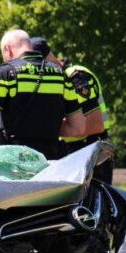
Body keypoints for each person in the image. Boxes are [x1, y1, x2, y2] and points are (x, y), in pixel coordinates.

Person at [0, 29, 88, 159]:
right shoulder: (60, 75)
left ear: (7, 49)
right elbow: (79, 128)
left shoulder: (5, 73)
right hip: (50, 161)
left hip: (15, 161)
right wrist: (45, 128)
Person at [32, 37, 112, 181]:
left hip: (93, 153)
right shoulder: (55, 80)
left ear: (46, 59)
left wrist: (48, 128)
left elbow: (96, 125)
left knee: (96, 203)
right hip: (73, 153)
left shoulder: (75, 76)